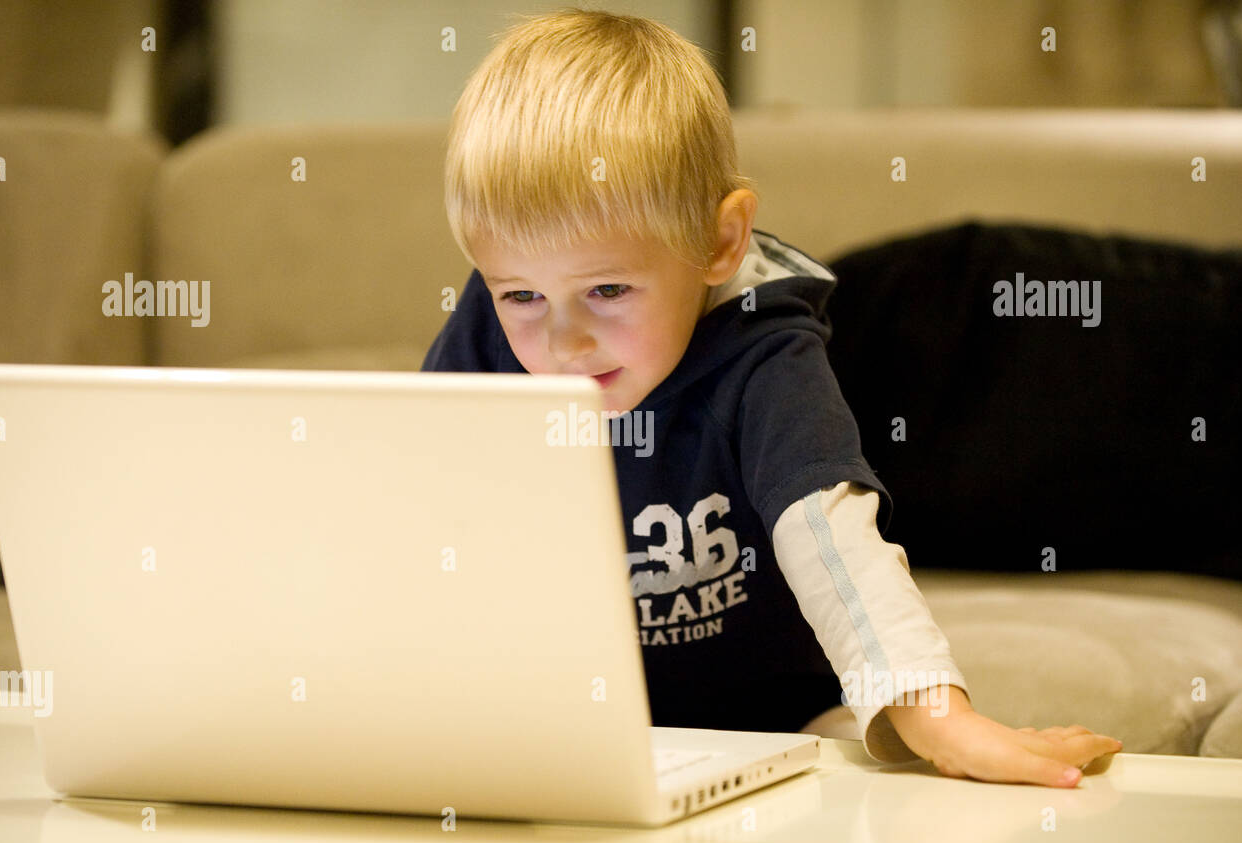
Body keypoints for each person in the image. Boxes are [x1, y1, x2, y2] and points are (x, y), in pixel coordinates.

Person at [422, 7, 1122, 787]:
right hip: (581, 726)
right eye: (519, 295)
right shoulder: (485, 344)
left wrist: (933, 711)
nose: (562, 343)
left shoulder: (765, 352)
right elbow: (418, 510)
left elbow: (829, 524)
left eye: (608, 288)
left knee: (865, 788)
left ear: (721, 241)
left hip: (783, 717)